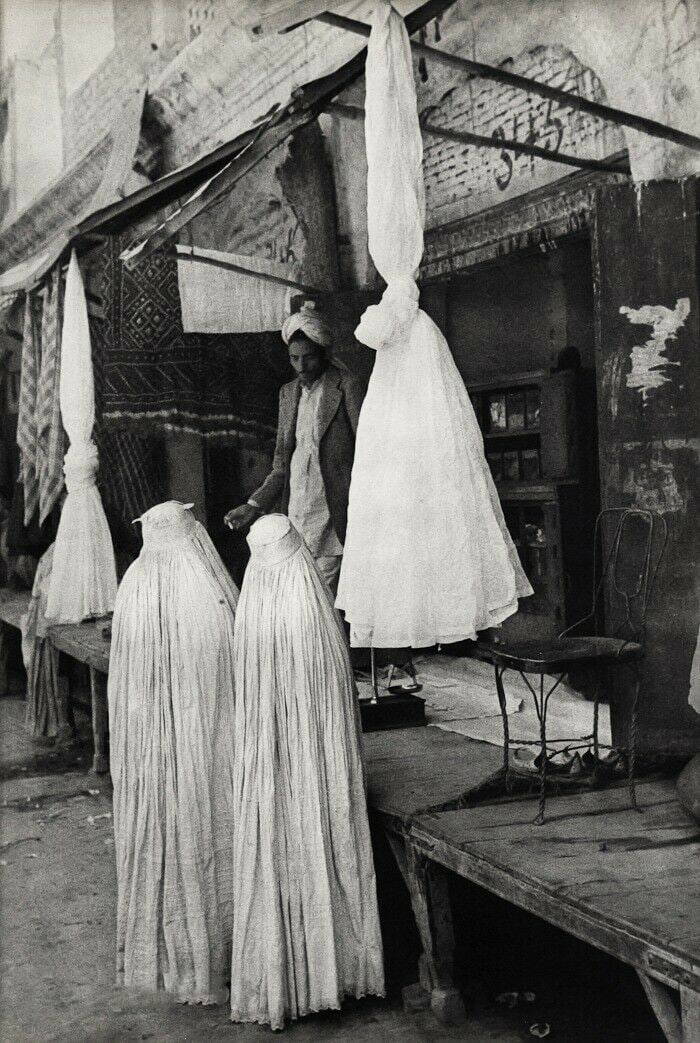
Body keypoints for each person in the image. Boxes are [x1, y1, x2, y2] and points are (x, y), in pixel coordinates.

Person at [224, 302, 363, 596]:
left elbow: (366, 450)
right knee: (297, 596)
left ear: (323, 354)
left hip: (334, 513)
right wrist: (253, 505)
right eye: (294, 358)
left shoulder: (347, 386)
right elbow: (281, 465)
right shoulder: (287, 394)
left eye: (308, 358)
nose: (301, 367)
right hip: (297, 511)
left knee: (321, 598)